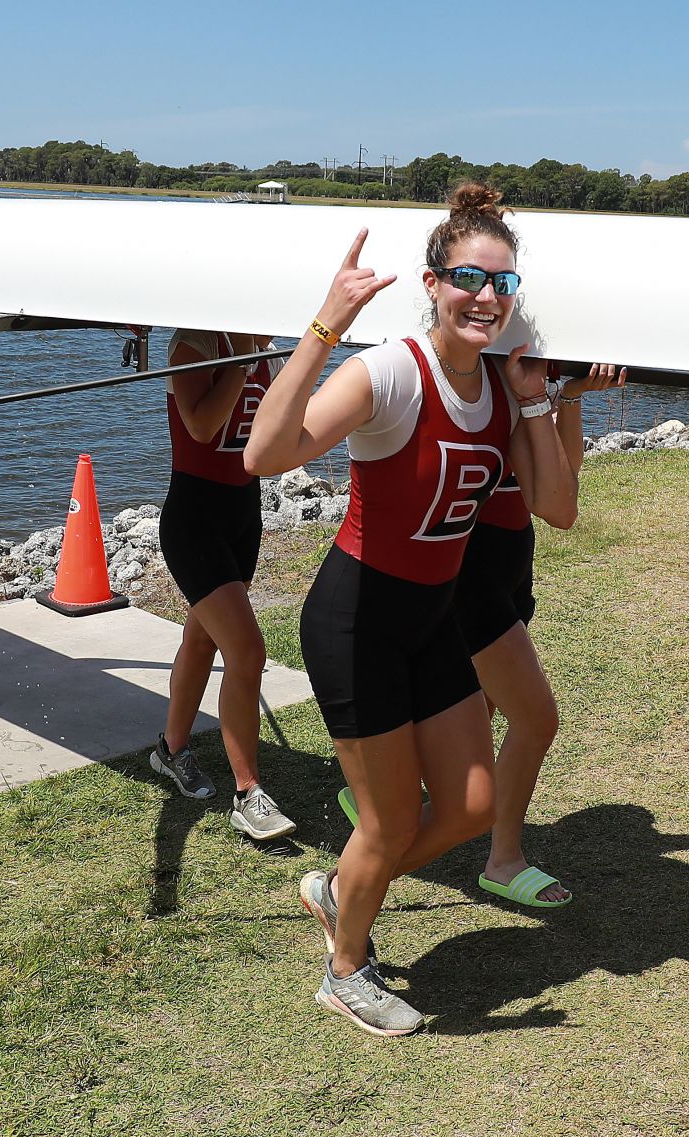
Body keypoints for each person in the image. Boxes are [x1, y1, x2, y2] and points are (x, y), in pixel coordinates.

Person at [244, 183, 578, 1037]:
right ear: (432, 283)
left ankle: (342, 887)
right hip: (357, 622)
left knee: (469, 806)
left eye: (501, 283)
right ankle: (345, 970)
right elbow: (264, 454)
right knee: (390, 820)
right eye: (468, 278)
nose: (485, 297)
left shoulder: (501, 386)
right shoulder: (391, 369)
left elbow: (557, 507)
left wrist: (538, 397)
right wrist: (325, 325)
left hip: (433, 618)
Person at [421, 356, 623, 908]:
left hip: (512, 564)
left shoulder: (522, 390)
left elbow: (563, 481)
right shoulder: (482, 393)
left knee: (481, 708)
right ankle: (502, 859)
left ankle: (405, 801)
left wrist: (569, 397)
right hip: (474, 573)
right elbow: (556, 508)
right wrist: (539, 398)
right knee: (534, 719)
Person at [148, 327, 297, 841]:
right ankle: (248, 793)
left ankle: (170, 749)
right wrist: (245, 360)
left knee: (203, 638)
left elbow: (282, 434)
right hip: (194, 520)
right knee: (247, 651)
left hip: (244, 516)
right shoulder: (196, 344)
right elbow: (201, 426)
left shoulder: (270, 352)